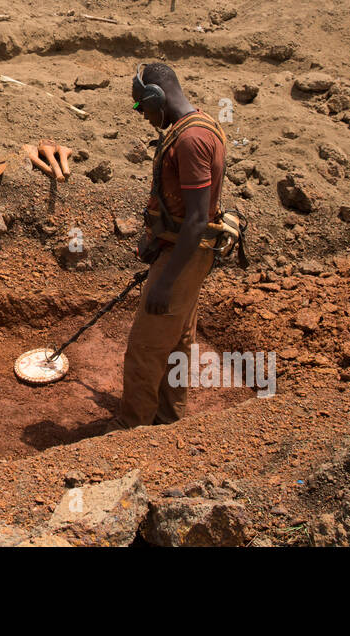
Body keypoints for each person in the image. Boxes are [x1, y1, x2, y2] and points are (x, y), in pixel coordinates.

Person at [118, 62, 228, 428]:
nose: (143, 115)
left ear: (155, 97)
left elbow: (197, 220)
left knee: (145, 349)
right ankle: (168, 422)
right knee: (178, 343)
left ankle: (129, 431)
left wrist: (165, 282)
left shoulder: (191, 140)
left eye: (142, 107)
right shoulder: (197, 126)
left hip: (184, 256)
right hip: (182, 251)